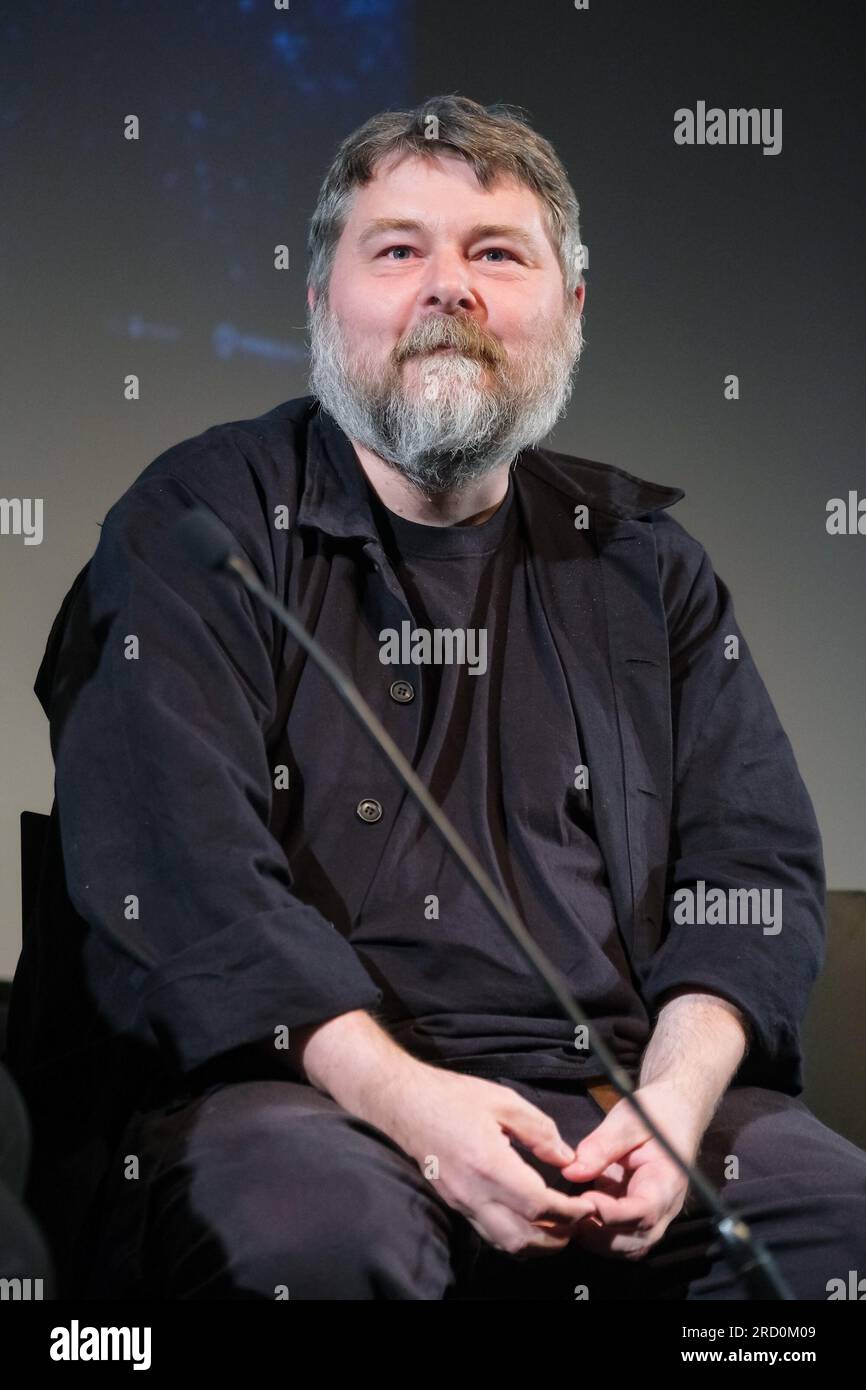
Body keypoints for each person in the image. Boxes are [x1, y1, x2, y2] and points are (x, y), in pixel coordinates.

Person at [6, 94, 865, 1301]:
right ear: (320, 302)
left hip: (615, 1095)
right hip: (303, 1093)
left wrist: (669, 1104)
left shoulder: (645, 566)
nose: (446, 286)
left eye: (495, 253)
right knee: (309, 1244)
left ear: (566, 309)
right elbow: (188, 880)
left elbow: (753, 873)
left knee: (837, 1238)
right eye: (399, 248)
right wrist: (412, 1103)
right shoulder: (192, 528)